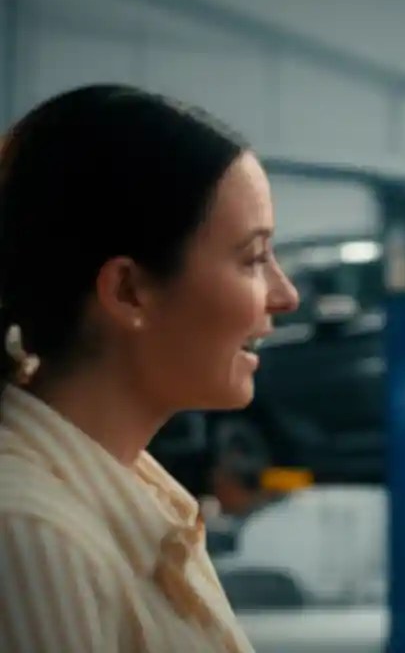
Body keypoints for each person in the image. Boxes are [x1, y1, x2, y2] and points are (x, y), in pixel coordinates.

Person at [0, 84, 299, 652]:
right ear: (129, 290)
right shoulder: (32, 536)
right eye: (253, 258)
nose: (285, 295)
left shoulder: (145, 502)